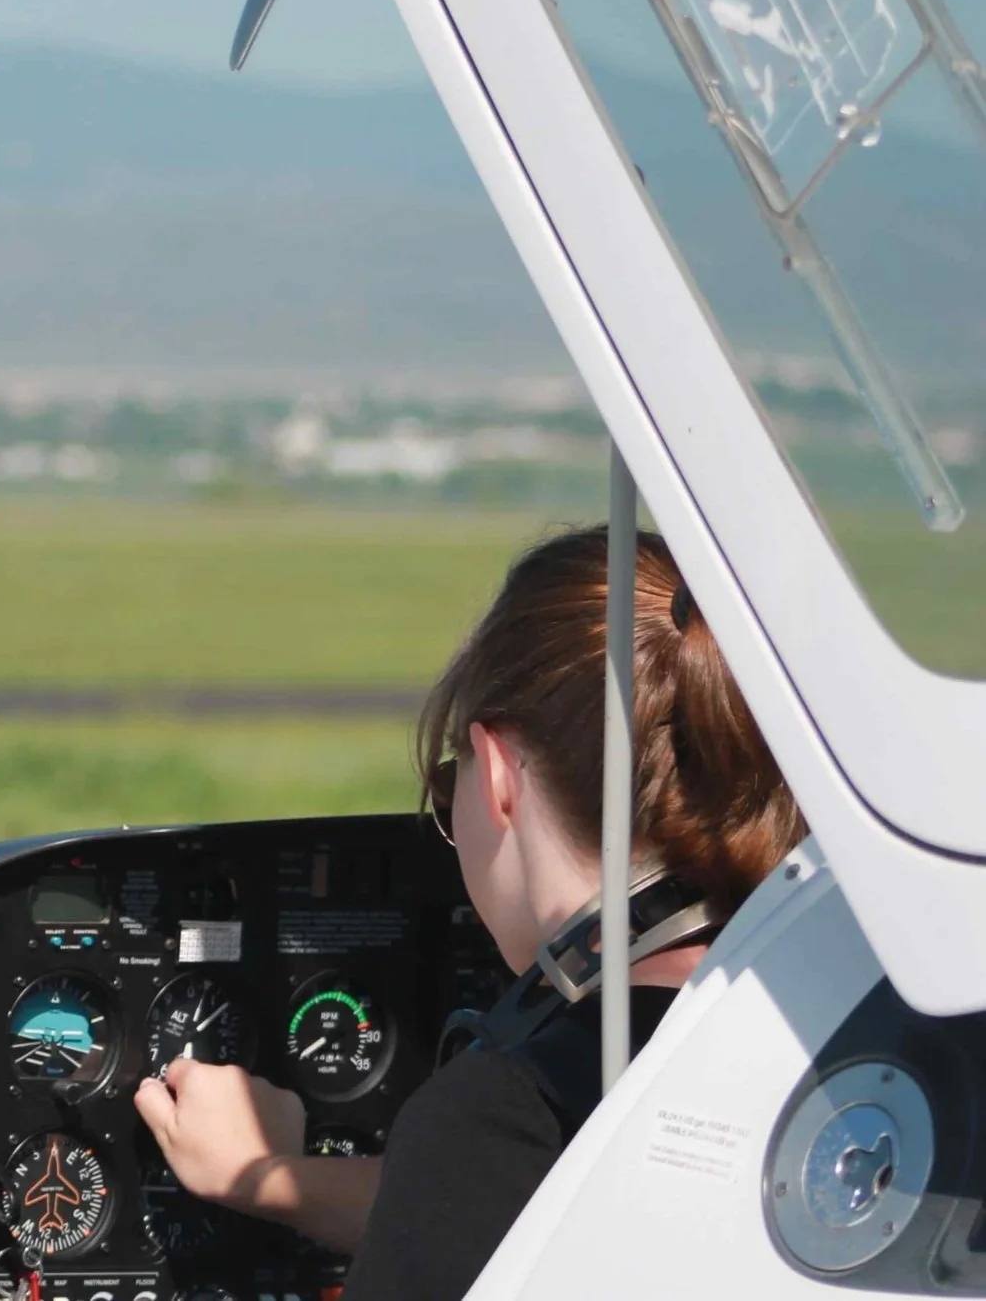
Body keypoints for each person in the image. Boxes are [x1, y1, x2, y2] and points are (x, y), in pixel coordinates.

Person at [133, 525, 806, 1301]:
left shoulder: (504, 1109)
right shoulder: (831, 1023)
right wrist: (280, 1179)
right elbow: (518, 1207)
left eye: (450, 789)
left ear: (497, 776)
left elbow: (486, 1175)